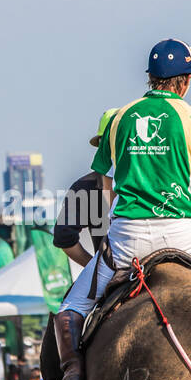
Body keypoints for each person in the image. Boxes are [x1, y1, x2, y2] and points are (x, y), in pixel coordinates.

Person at [53, 38, 191, 380]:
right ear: (185, 81)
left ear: (150, 78)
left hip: (128, 239)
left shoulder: (117, 119)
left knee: (71, 308)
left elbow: (105, 184)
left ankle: (73, 373)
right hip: (184, 237)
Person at [52, 109, 117, 267]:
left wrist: (94, 267)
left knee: (75, 294)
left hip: (112, 270)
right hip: (159, 261)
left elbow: (63, 237)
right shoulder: (155, 179)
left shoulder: (85, 187)